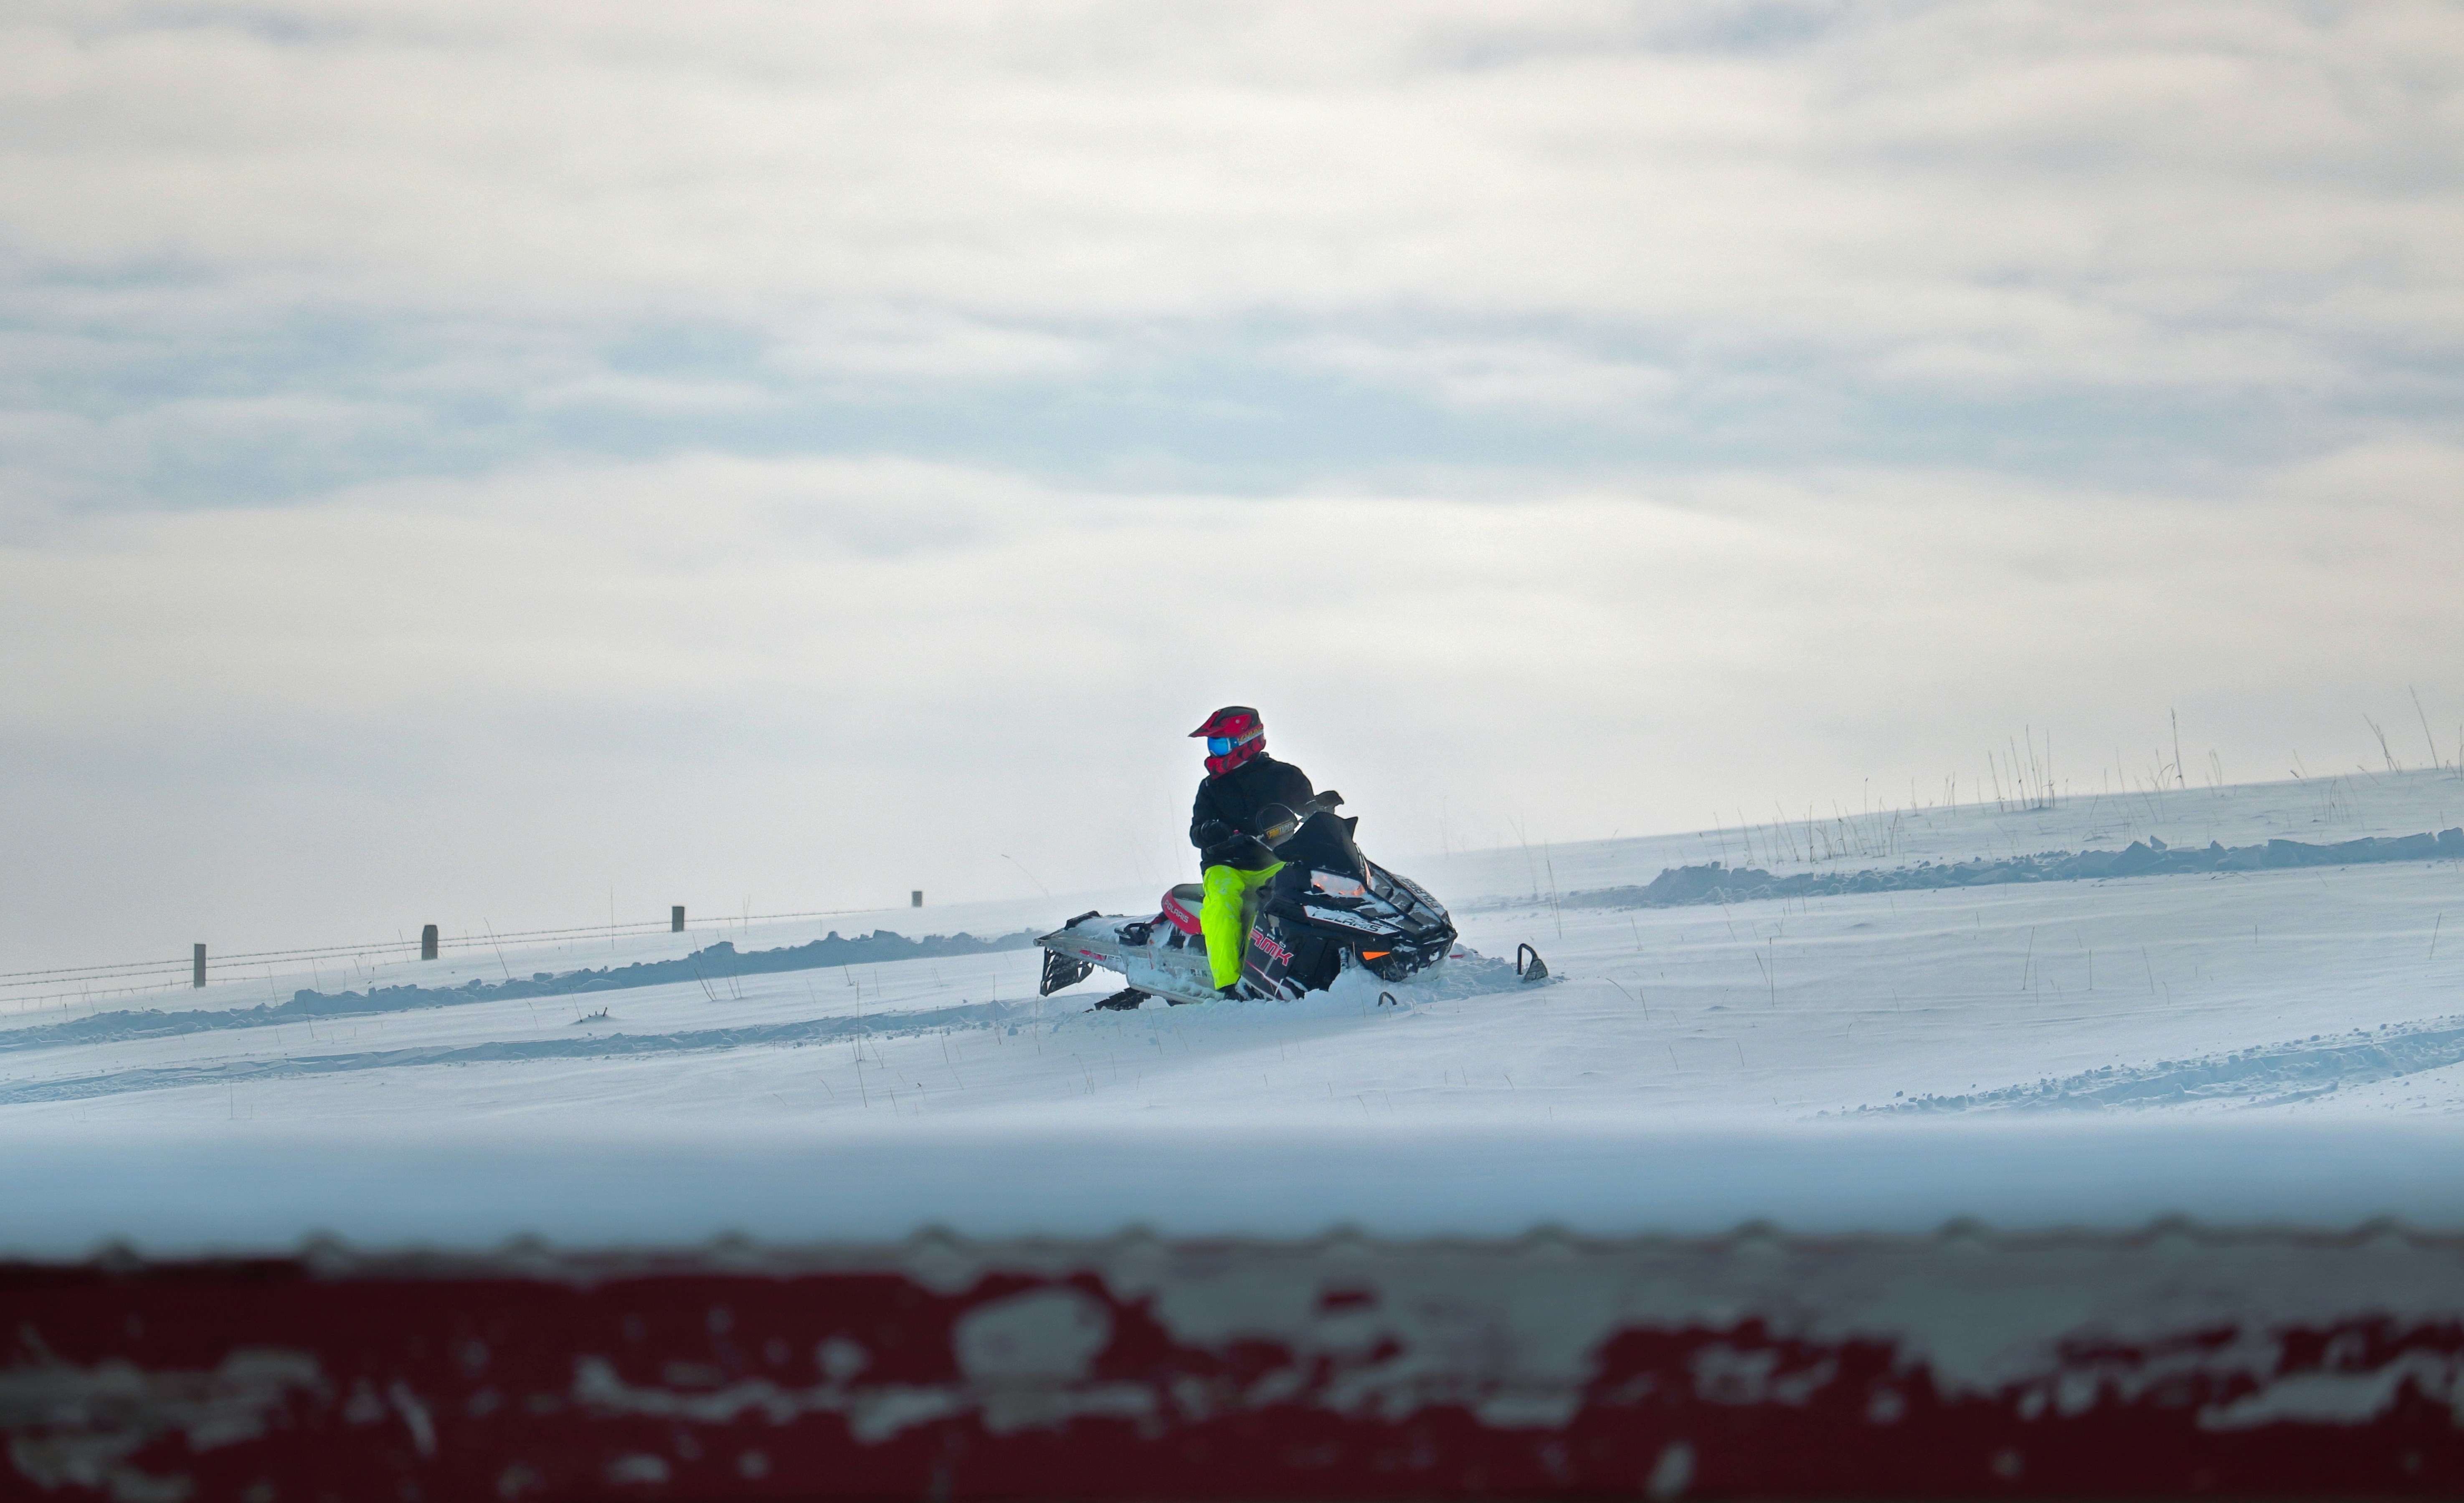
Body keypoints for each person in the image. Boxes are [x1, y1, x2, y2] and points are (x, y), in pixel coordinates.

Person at [1187, 706, 1315, 998]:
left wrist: (1321, 810)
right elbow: (1196, 833)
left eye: (1221, 744)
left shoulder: (1286, 776)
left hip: (1276, 860)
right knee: (1222, 901)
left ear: (1248, 740)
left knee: (1315, 890)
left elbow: (1310, 812)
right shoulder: (1210, 787)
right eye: (1212, 745)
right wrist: (1212, 831)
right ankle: (1229, 984)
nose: (1215, 752)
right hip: (1228, 865)